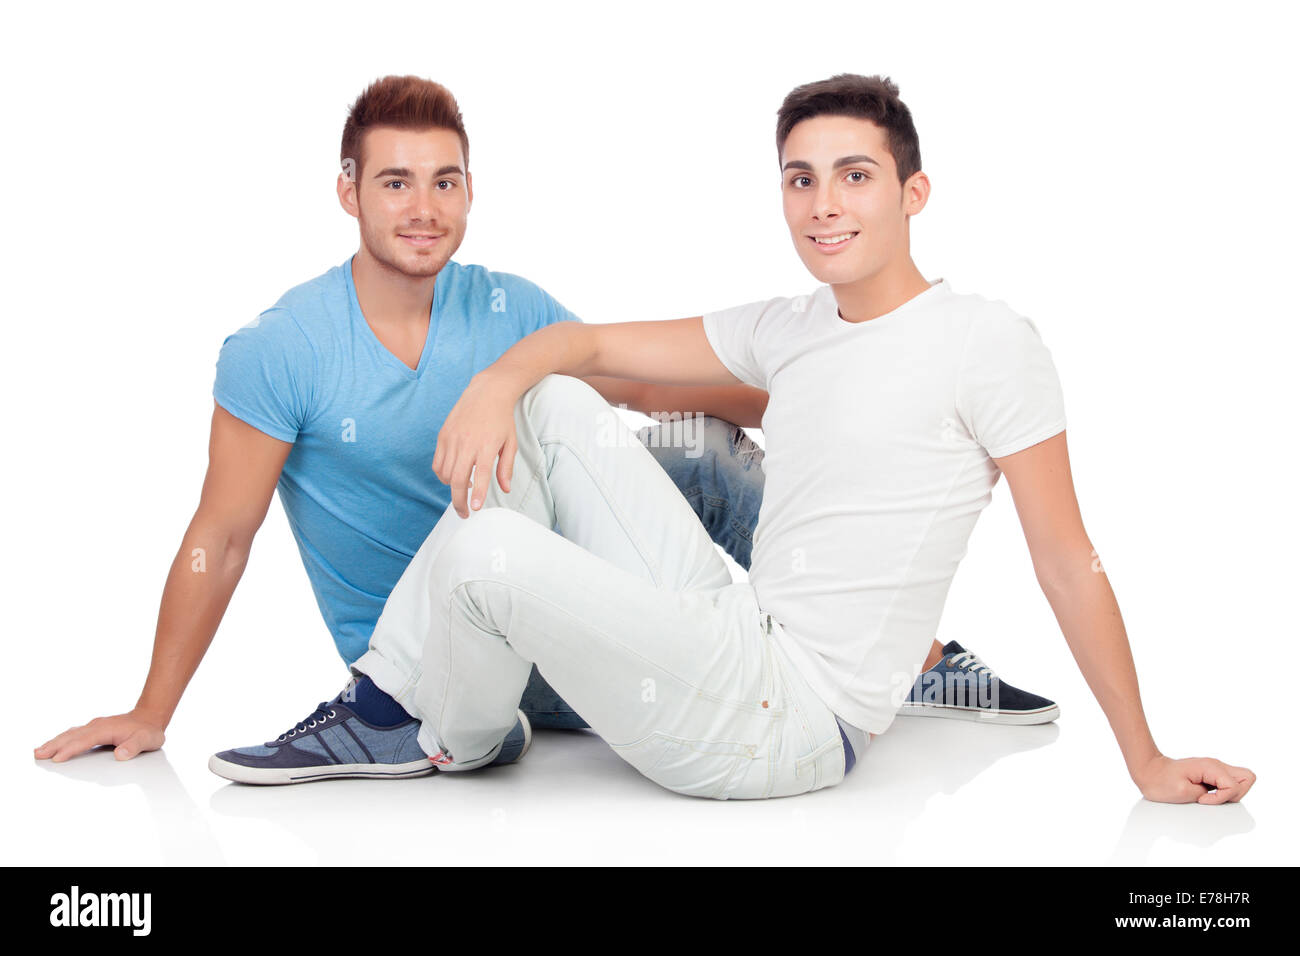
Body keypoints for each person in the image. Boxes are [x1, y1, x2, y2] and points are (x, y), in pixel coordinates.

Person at [32, 74, 1056, 779]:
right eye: (394, 182)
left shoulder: (507, 307)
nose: (423, 207)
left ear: (471, 191)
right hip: (439, 637)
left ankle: (906, 655)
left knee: (682, 442)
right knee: (510, 525)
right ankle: (394, 710)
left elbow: (638, 401)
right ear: (347, 192)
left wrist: (838, 414)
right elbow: (221, 533)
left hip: (563, 599)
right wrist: (152, 707)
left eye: (445, 181)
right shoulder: (283, 346)